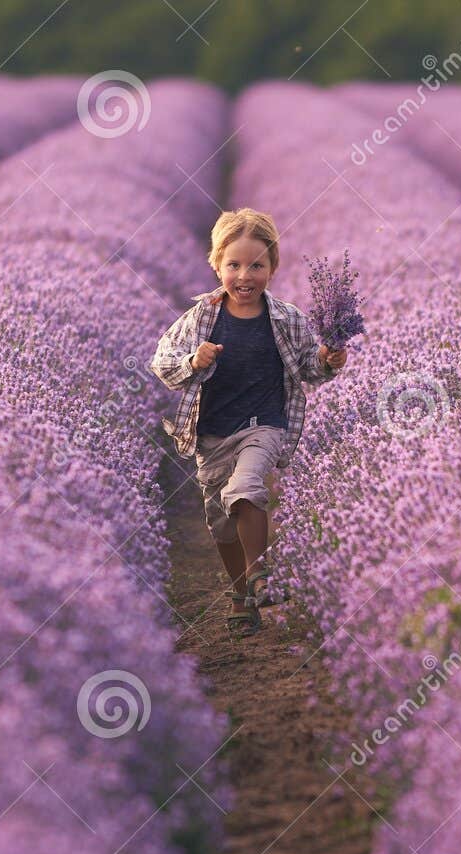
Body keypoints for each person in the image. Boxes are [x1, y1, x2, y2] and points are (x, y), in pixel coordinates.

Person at [149, 207, 349, 638]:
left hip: (266, 425)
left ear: (273, 268)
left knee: (247, 487)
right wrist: (193, 359)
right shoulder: (201, 319)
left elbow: (307, 369)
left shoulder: (287, 318)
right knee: (221, 520)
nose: (245, 275)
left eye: (256, 265)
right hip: (212, 434)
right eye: (234, 265)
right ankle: (241, 593)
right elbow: (162, 365)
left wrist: (327, 359)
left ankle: (262, 576)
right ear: (216, 266)